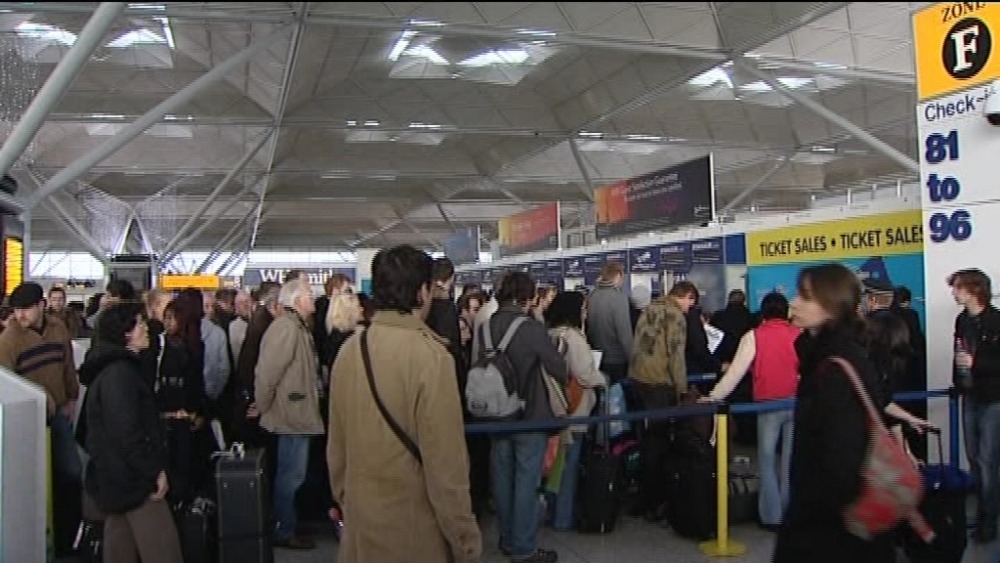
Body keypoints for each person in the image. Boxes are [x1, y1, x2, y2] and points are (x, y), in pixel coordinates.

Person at [328, 245, 482, 563]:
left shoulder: (351, 351)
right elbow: (446, 467)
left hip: (361, 533)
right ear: (423, 292)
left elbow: (337, 452)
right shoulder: (432, 359)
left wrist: (352, 504)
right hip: (414, 534)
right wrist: (465, 541)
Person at [773, 264, 895, 562]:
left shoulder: (835, 367)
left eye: (805, 297)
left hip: (834, 530)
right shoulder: (825, 357)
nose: (793, 303)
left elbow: (842, 461)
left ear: (832, 305)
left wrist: (808, 525)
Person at [80, 302, 183, 563]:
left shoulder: (111, 371)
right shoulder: (120, 374)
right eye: (140, 323)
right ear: (125, 333)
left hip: (116, 479)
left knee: (119, 549)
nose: (146, 328)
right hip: (134, 481)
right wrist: (153, 471)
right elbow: (128, 432)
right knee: (163, 550)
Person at [478, 271, 567, 563]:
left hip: (495, 414)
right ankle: (524, 547)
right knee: (527, 483)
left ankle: (506, 539)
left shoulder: (486, 326)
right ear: (528, 298)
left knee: (502, 480)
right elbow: (557, 367)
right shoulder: (530, 328)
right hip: (529, 414)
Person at [0, 282, 81, 555]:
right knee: (34, 483)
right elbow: (6, 384)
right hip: (26, 423)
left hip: (58, 416)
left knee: (70, 473)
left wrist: (71, 397)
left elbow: (67, 365)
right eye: (16, 310)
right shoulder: (9, 340)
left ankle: (67, 542)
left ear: (41, 306)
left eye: (26, 309)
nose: (19, 315)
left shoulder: (58, 329)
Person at [706, 292, 800, 528]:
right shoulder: (798, 334)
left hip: (768, 404)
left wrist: (713, 396)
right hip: (796, 402)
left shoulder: (754, 336)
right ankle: (790, 512)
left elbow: (735, 373)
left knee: (766, 460)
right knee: (790, 460)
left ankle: (771, 516)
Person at [255, 277, 323, 550]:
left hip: (296, 412)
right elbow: (267, 372)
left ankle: (288, 522)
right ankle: (284, 528)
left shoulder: (295, 326)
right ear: (296, 300)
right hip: (292, 414)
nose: (313, 298)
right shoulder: (286, 328)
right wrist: (263, 405)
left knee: (293, 474)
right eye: (309, 294)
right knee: (290, 476)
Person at [629, 281, 697, 521]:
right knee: (660, 444)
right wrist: (682, 390)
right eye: (691, 302)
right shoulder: (675, 316)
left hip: (638, 380)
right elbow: (676, 356)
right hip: (660, 384)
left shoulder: (649, 309)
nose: (690, 307)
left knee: (646, 441)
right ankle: (656, 500)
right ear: (685, 296)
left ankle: (642, 498)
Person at [545, 291, 607, 531]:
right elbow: (584, 374)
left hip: (554, 407)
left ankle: (552, 514)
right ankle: (563, 518)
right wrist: (603, 379)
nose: (585, 314)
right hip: (576, 409)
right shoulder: (573, 337)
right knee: (568, 468)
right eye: (583, 309)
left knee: (554, 469)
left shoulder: (549, 333)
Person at [949, 269, 1000, 543]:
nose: (954, 293)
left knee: (986, 459)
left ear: (974, 290)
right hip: (969, 395)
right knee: (974, 458)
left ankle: (988, 521)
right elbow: (958, 354)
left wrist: (976, 364)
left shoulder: (996, 320)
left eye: (958, 287)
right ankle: (983, 516)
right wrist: (957, 383)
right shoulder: (962, 320)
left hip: (993, 398)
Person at [585, 261, 634, 383]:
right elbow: (625, 334)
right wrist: (633, 360)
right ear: (617, 276)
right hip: (617, 360)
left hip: (597, 357)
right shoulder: (619, 298)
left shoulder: (592, 296)